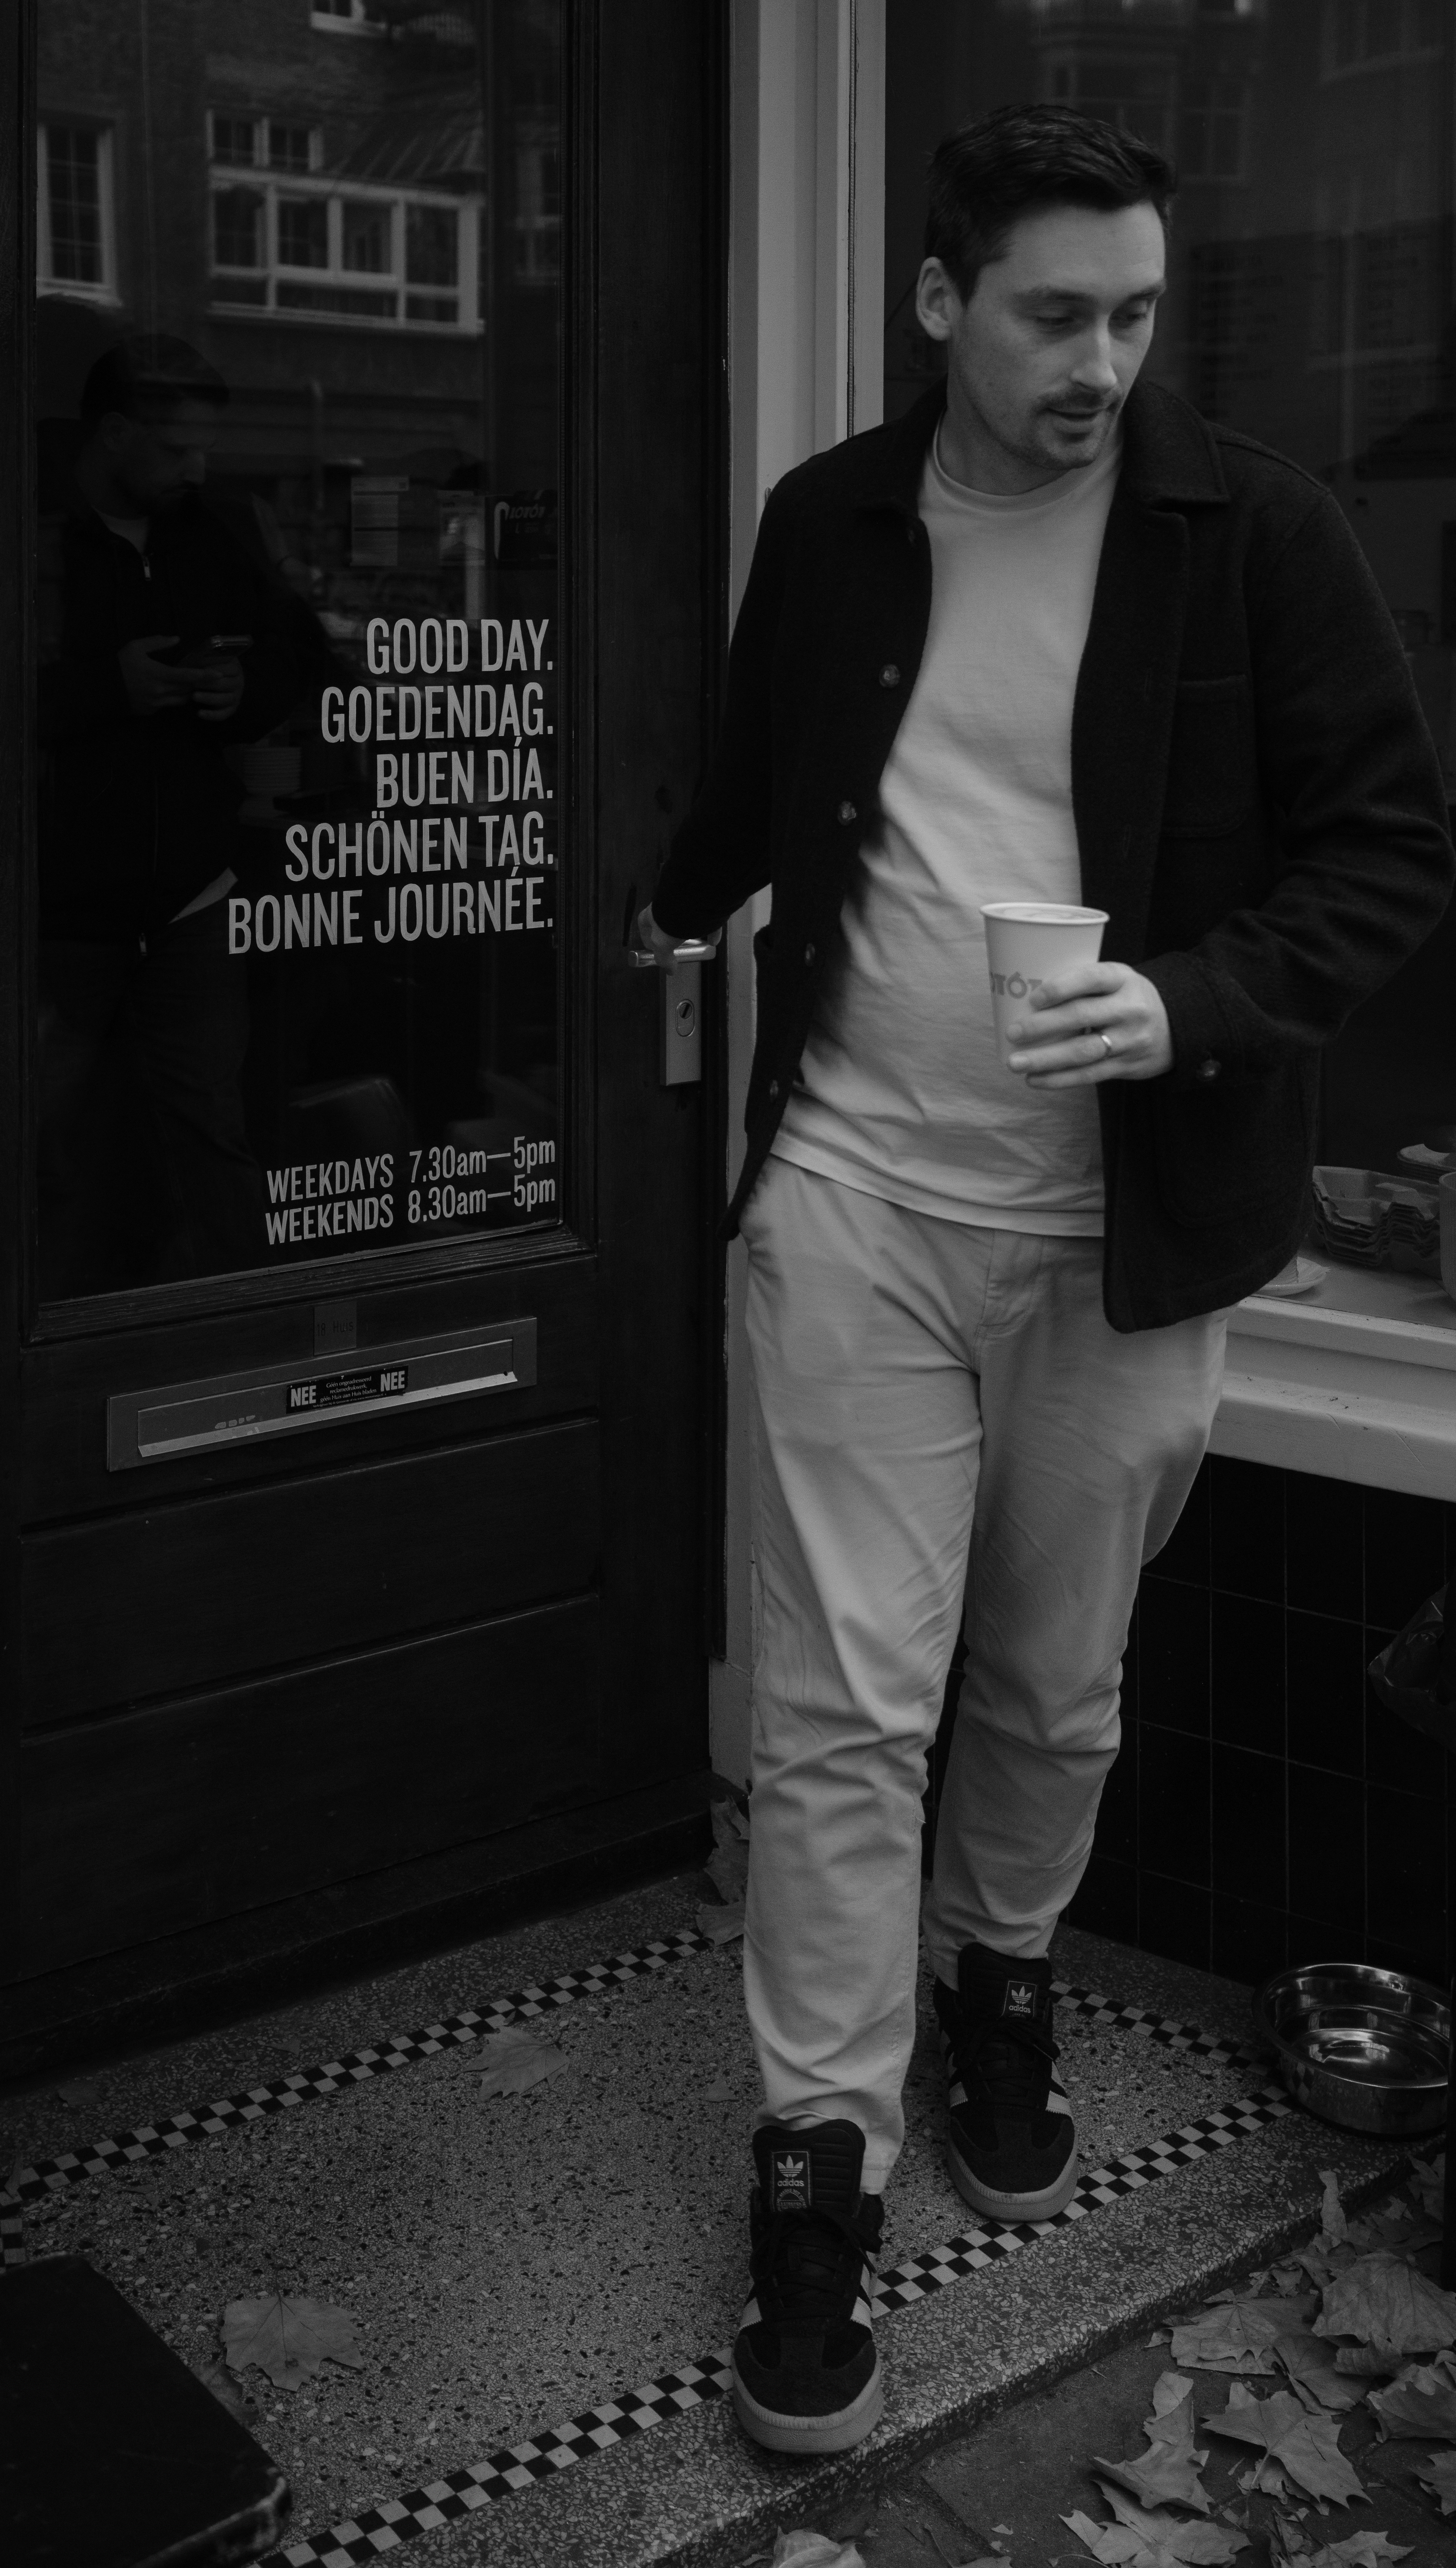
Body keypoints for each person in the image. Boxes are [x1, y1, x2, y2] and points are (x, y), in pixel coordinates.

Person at [640, 105, 1455, 2457]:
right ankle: (817, 2159)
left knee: (1049, 1680)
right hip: (854, 1201)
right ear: (939, 303)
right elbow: (759, 778)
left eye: (1135, 314)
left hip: (1131, 1225)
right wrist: (659, 908)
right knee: (837, 1706)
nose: (1103, 362)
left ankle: (1002, 1970)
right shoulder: (828, 519)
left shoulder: (1253, 532)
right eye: (1053, 314)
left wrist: (1184, 1000)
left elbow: (1389, 850)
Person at [37, 336, 304, 1290]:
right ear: (115, 433)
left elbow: (298, 654)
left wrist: (242, 690)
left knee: (212, 1133)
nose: (198, 468)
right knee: (43, 1133)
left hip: (193, 896)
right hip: (60, 906)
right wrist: (106, 687)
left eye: (206, 448)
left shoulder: (210, 532)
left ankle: (248, 1332)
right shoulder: (38, 535)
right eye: (177, 447)